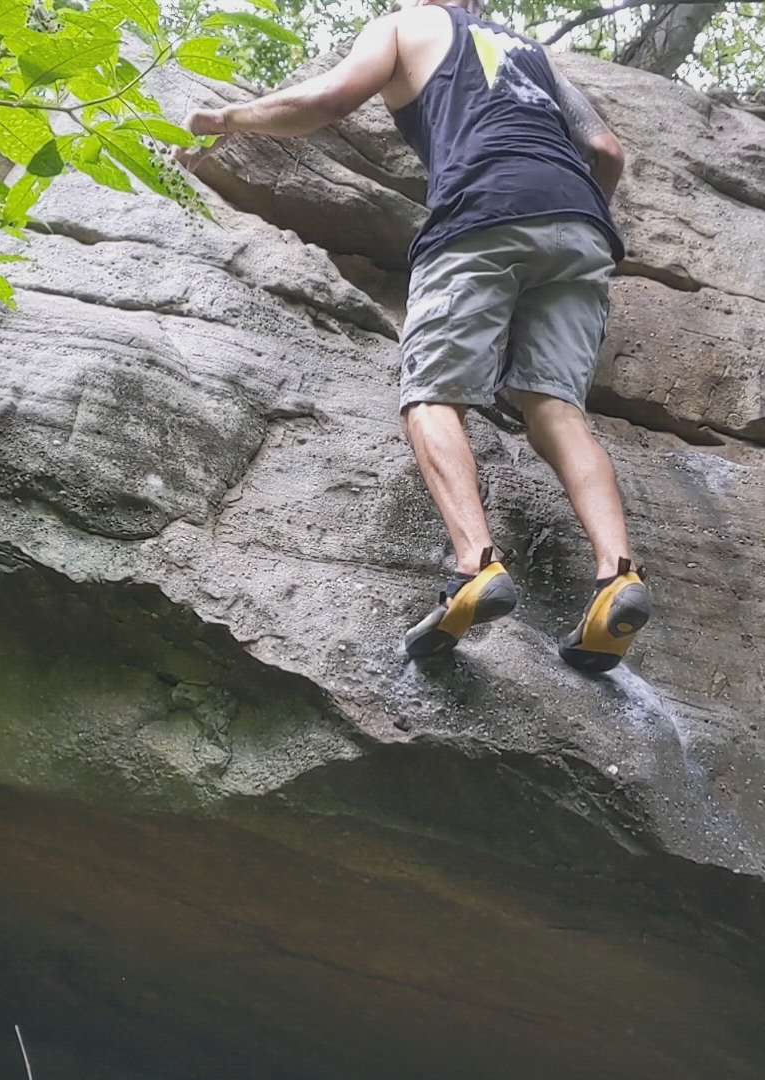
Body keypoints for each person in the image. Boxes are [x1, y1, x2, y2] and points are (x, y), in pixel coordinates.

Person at [184, 0, 651, 672]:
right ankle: (618, 579)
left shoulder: (406, 26)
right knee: (555, 409)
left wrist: (229, 118)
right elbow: (605, 150)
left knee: (431, 392)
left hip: (481, 214)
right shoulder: (534, 54)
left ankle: (477, 566)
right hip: (580, 227)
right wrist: (570, 214)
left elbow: (332, 98)